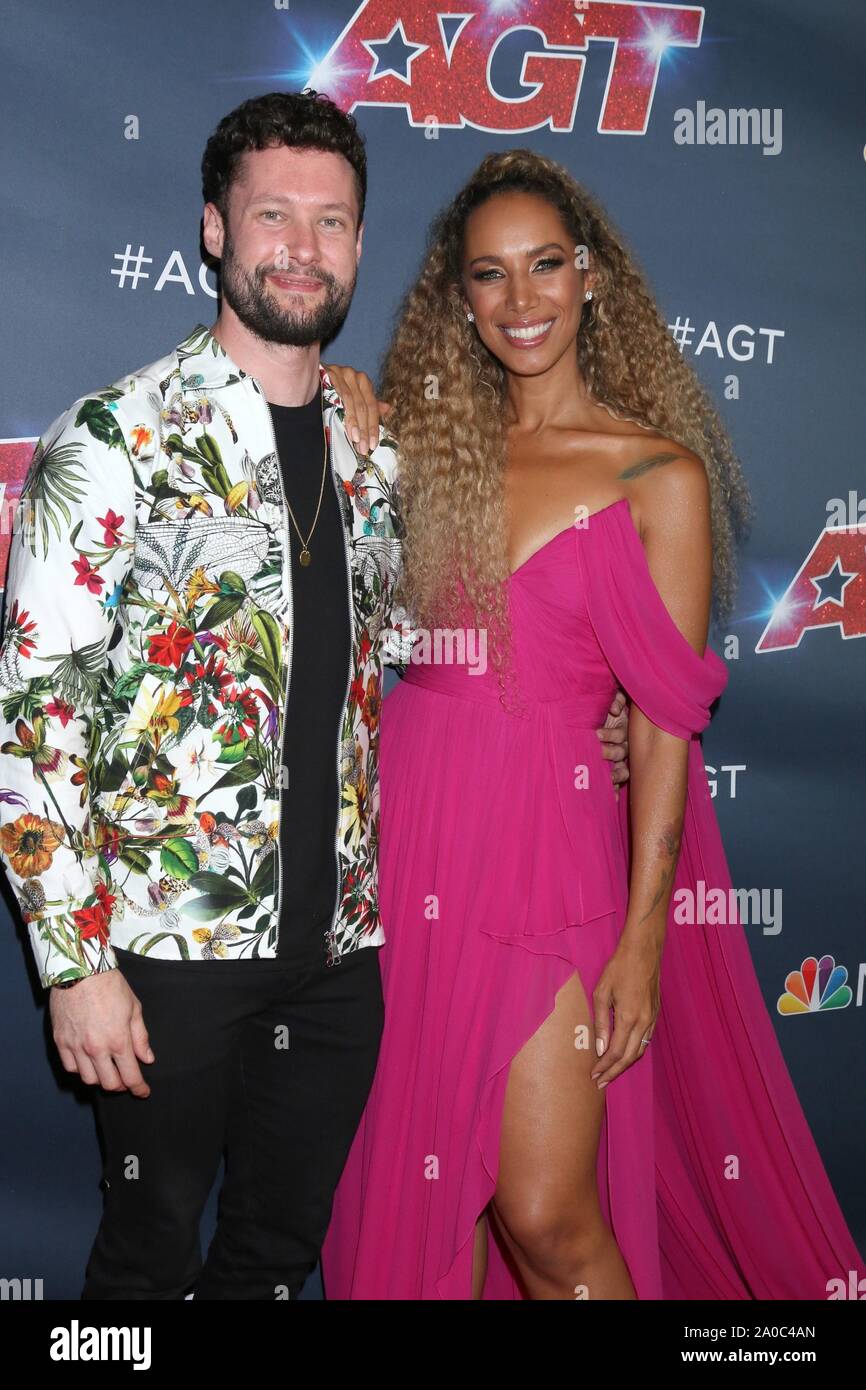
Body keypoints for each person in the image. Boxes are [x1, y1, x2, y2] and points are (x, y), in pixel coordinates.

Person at [0, 95, 625, 1300]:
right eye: (271, 215)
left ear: (356, 243)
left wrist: (587, 709)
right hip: (164, 951)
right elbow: (33, 719)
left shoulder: (372, 453)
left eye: (330, 221)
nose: (300, 246)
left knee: (278, 1258)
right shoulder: (115, 438)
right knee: (141, 1262)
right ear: (213, 232)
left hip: (340, 957)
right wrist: (73, 965)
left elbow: (421, 644)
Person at [320, 149, 865, 1299]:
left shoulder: (655, 477)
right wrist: (346, 404)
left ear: (592, 277)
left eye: (545, 266)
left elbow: (665, 727)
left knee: (545, 1214)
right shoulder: (416, 457)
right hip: (406, 848)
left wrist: (640, 940)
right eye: (488, 275)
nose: (521, 301)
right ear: (456, 299)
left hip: (551, 860)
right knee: (429, 1205)